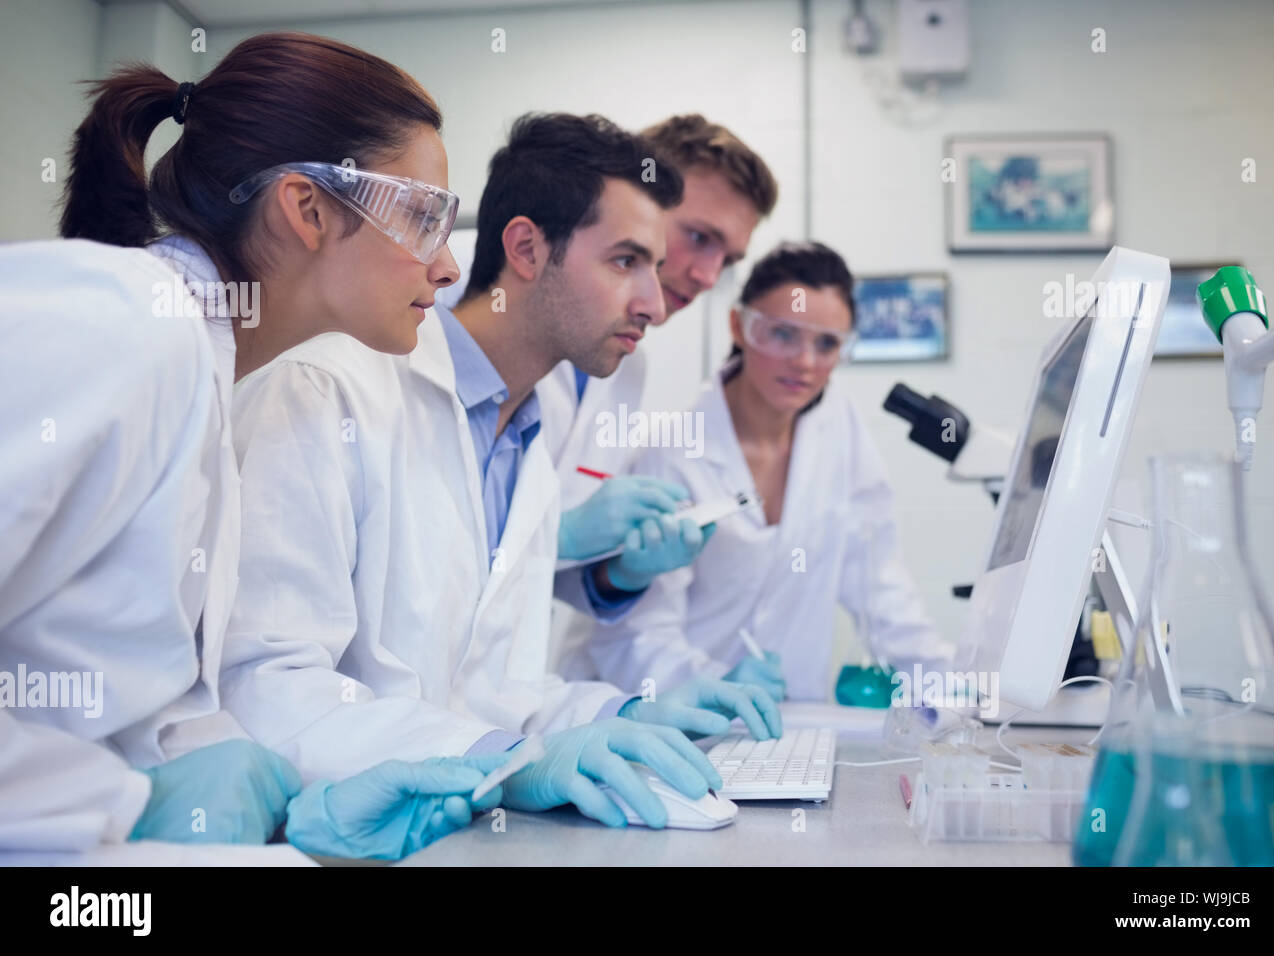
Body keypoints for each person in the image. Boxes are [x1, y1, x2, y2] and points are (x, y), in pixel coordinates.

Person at [0, 32, 507, 863]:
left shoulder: (208, 376)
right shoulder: (128, 323)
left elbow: (128, 703)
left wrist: (293, 810)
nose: (448, 267)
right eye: (423, 216)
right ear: (307, 209)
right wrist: (116, 801)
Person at [221, 113, 782, 832]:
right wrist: (506, 758)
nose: (655, 299)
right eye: (625, 262)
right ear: (524, 247)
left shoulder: (523, 437)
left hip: (457, 830)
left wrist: (627, 710)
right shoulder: (326, 389)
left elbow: (489, 691)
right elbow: (267, 686)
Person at [567, 242, 957, 701]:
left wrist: (953, 683)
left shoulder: (842, 433)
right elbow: (636, 634)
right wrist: (713, 687)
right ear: (740, 325)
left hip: (794, 722)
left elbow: (881, 587)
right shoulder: (674, 451)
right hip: (678, 719)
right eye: (784, 334)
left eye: (827, 343)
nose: (806, 362)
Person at [537, 115, 781, 677]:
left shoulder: (624, 368)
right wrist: (559, 533)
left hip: (506, 696)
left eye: (728, 258)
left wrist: (617, 574)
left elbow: (538, 579)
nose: (706, 274)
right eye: (700, 237)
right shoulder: (447, 314)